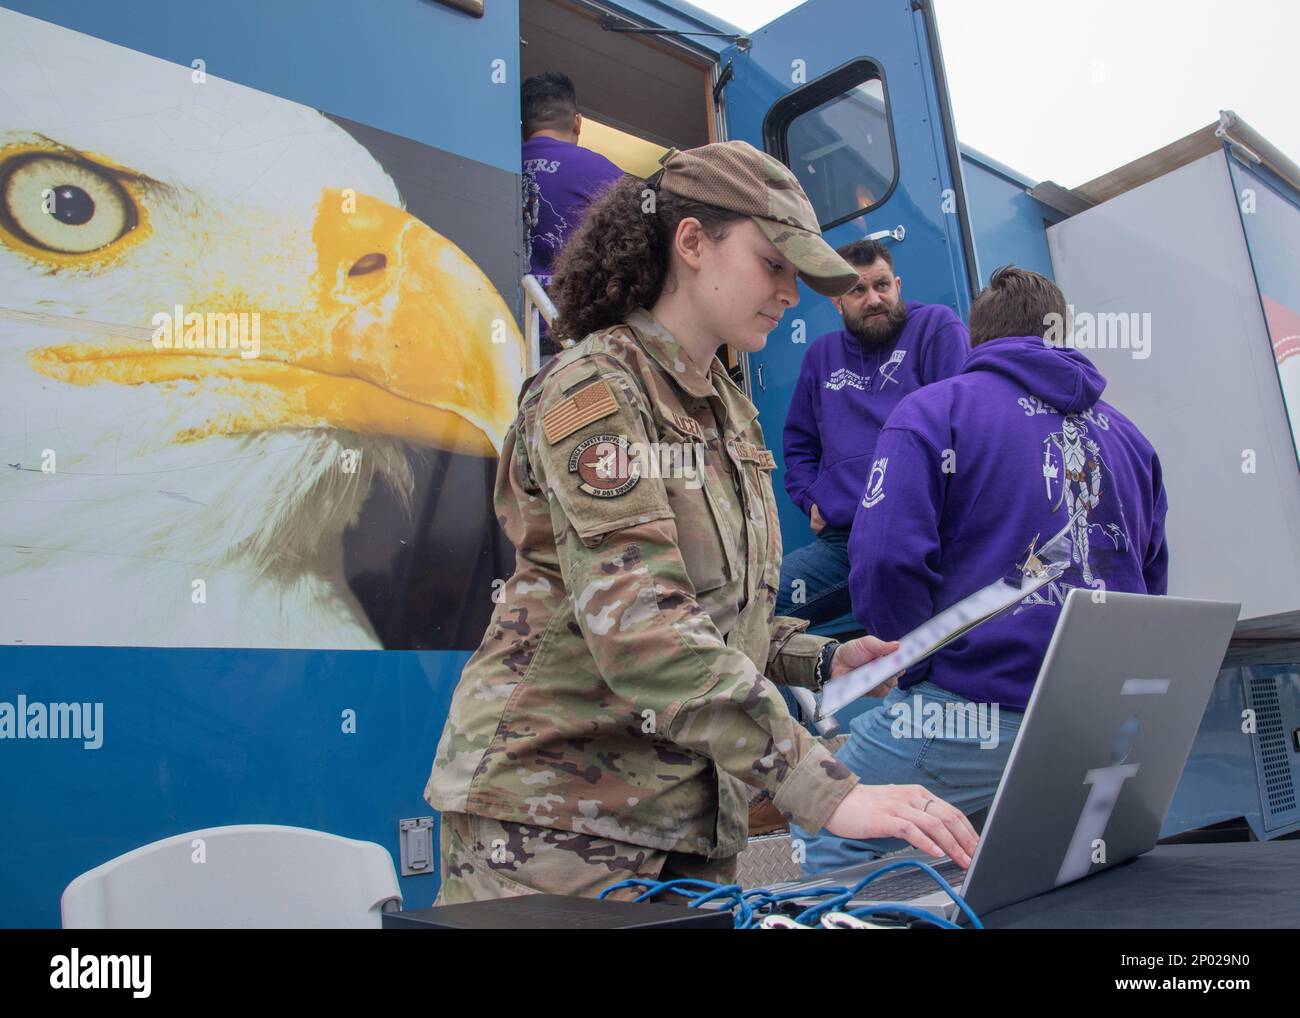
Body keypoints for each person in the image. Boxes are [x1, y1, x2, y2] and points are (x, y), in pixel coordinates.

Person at [423, 141, 979, 903]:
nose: (790, 293)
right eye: (773, 263)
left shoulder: (726, 410)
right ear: (692, 242)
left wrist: (819, 659)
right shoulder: (595, 391)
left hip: (684, 827)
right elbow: (642, 627)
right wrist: (826, 791)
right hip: (555, 830)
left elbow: (714, 606)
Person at [793, 266, 1169, 875]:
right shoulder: (1132, 439)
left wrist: (918, 659)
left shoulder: (933, 412)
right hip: (1100, 718)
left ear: (976, 339)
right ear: (1061, 334)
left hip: (974, 708)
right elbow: (1150, 583)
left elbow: (885, 559)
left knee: (822, 816)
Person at [778, 240, 968, 629]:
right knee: (753, 611)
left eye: (882, 285)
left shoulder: (935, 326)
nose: (873, 299)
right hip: (844, 543)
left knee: (915, 654)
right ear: (837, 302)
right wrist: (810, 499)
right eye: (857, 290)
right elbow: (799, 445)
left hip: (925, 534)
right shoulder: (820, 356)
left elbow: (966, 427)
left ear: (897, 284)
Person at [521, 71, 623, 350]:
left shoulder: (499, 166)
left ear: (523, 126)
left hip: (505, 331)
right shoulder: (603, 172)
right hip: (572, 339)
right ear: (577, 123)